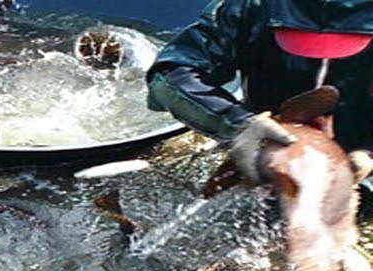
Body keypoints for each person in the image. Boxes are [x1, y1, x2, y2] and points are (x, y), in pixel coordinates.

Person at [145, 0, 373, 185]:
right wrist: (237, 123)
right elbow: (170, 73)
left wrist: (369, 156)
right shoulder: (250, 8)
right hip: (261, 152)